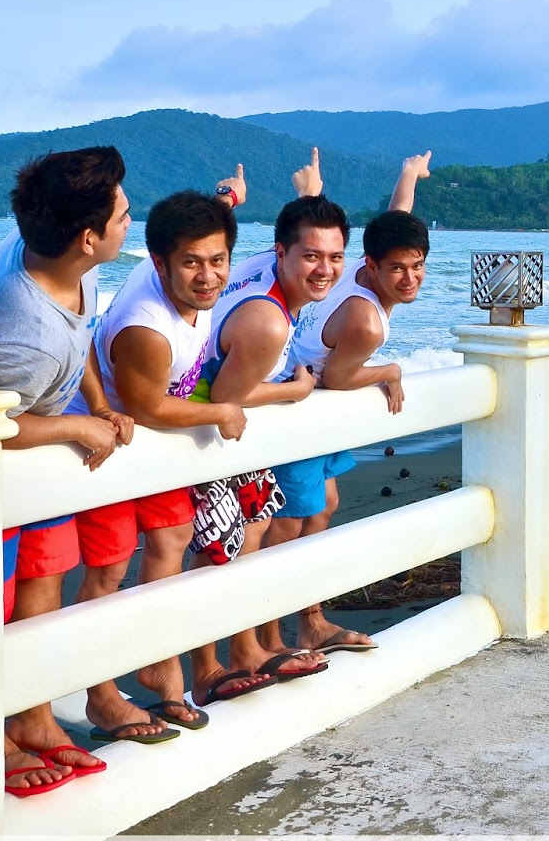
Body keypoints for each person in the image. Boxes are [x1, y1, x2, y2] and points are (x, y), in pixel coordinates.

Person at [0, 146, 134, 796]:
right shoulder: (24, 330)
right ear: (89, 238)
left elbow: (80, 334)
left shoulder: (63, 257)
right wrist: (77, 427)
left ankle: (33, 715)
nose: (129, 221)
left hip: (40, 451)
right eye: (122, 215)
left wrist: (100, 404)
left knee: (46, 573)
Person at [71, 181, 252, 737]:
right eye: (191, 263)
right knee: (108, 568)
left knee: (173, 536)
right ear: (159, 263)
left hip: (153, 451)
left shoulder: (190, 276)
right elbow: (146, 407)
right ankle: (101, 694)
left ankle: (158, 661)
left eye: (218, 261)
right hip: (106, 449)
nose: (208, 276)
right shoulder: (147, 327)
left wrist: (228, 198)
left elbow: (208, 226)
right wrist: (220, 412)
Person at [261, 150, 433, 655]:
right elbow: (338, 379)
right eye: (397, 269)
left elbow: (397, 216)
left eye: (418, 267)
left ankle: (310, 621)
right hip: (296, 409)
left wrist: (409, 174)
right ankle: (269, 639)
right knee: (287, 524)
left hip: (312, 410)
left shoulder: (359, 266)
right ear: (373, 265)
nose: (409, 279)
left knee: (325, 506)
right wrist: (390, 371)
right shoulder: (366, 322)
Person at [183, 157, 341, 705]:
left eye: (335, 257)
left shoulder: (259, 266)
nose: (325, 269)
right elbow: (224, 397)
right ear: (281, 253)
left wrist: (238, 198)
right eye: (313, 257)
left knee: (250, 532)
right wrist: (293, 391)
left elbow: (292, 238)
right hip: (200, 432)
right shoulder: (269, 318)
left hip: (228, 433)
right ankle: (207, 668)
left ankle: (247, 650)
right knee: (221, 547)